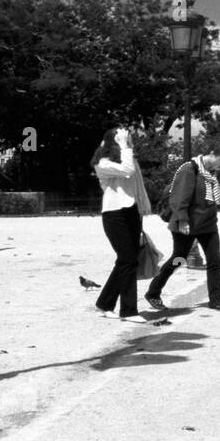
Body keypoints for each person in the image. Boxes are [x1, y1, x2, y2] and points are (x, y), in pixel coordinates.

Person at [145, 142, 220, 312]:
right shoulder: (189, 169)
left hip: (208, 225)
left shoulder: (211, 174)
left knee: (214, 261)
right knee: (178, 259)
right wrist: (182, 219)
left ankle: (216, 300)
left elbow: (209, 200)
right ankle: (153, 292)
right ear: (212, 153)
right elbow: (179, 198)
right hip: (187, 224)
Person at [91, 129, 152, 321]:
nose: (130, 142)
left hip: (132, 212)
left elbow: (138, 184)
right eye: (126, 139)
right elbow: (128, 171)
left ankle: (104, 303)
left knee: (127, 260)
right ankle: (129, 311)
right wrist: (125, 146)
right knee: (127, 259)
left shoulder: (128, 157)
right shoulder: (102, 164)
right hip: (114, 214)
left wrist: (143, 207)